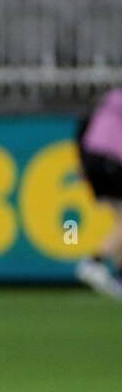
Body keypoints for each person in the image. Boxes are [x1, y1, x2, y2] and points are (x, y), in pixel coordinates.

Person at [75, 89, 122, 300]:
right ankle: (94, 261)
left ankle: (120, 277)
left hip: (91, 158)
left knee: (119, 219)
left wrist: (82, 163)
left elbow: (83, 127)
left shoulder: (109, 98)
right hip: (111, 159)